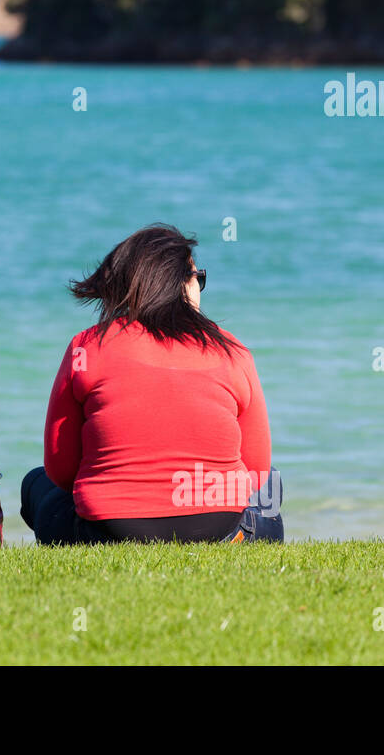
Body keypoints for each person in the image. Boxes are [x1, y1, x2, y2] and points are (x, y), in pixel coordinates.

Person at [21, 224, 284, 544]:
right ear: (183, 285)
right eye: (197, 278)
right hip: (218, 529)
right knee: (269, 494)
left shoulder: (86, 347)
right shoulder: (231, 350)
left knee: (35, 484)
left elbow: (61, 470)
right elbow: (256, 467)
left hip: (108, 532)